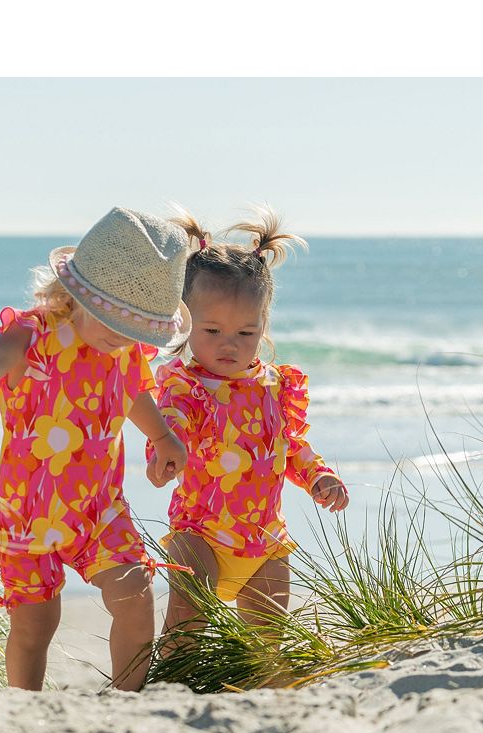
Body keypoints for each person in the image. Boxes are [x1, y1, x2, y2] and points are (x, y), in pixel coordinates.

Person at [0, 207, 192, 692]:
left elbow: (133, 393)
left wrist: (163, 436)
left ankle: (126, 699)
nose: (123, 337)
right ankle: (26, 705)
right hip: (28, 511)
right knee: (35, 623)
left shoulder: (122, 351)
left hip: (99, 508)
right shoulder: (36, 334)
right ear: (78, 294)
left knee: (135, 593)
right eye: (113, 321)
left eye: (137, 330)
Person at [148, 207, 349, 640]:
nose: (229, 345)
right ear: (183, 324)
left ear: (263, 326)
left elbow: (290, 444)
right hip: (200, 533)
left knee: (268, 638)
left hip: (266, 540)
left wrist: (319, 476)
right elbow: (169, 425)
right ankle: (173, 685)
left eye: (245, 333)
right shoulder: (188, 387)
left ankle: (260, 691)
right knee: (186, 624)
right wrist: (166, 452)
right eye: (212, 330)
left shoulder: (276, 386)